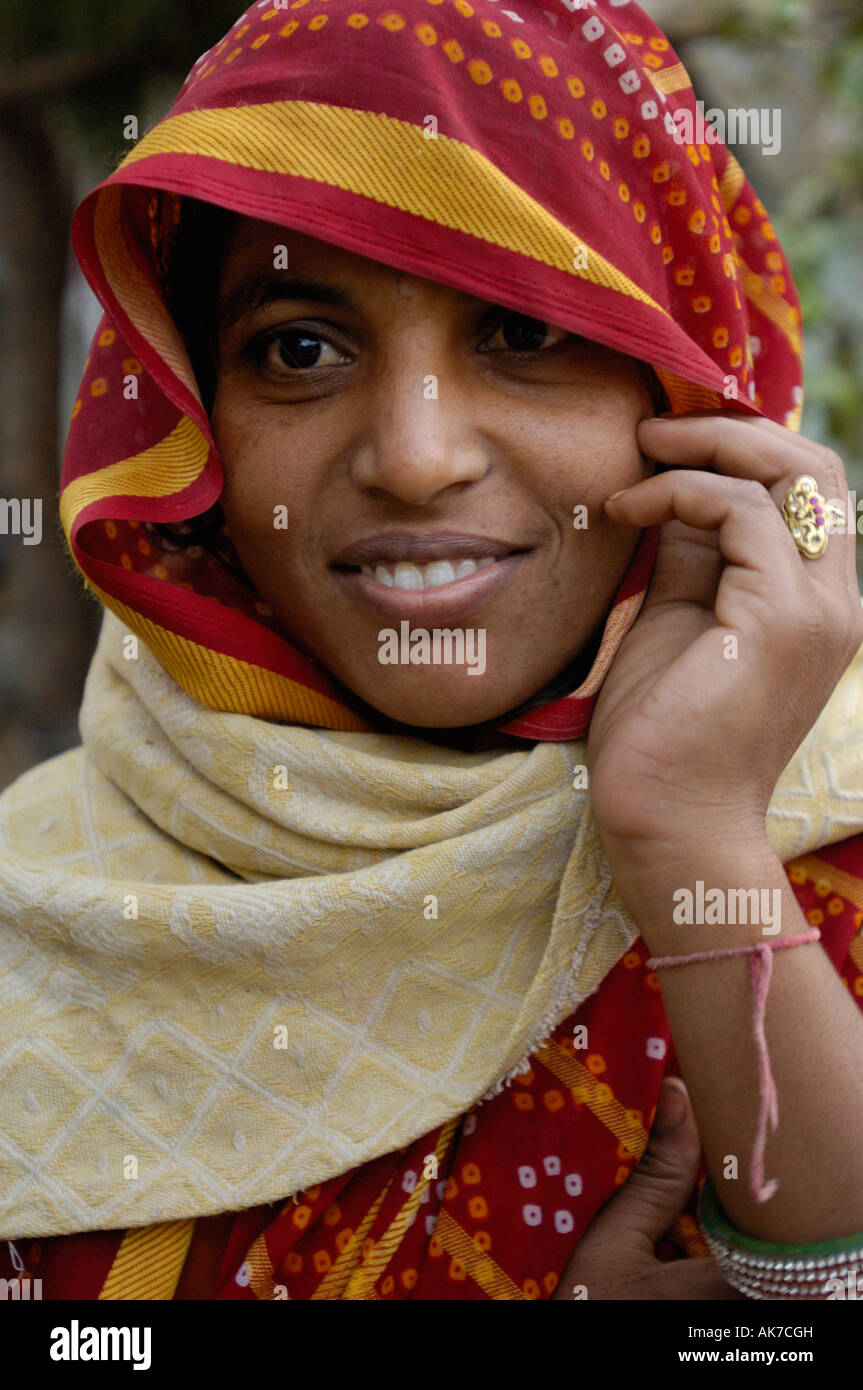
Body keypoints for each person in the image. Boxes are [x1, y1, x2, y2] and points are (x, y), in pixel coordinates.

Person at [1, 0, 862, 1302]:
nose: (414, 457)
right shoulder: (45, 911)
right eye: (299, 348)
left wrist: (691, 835)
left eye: (524, 332)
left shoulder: (824, 852)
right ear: (193, 421)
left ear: (694, 400)